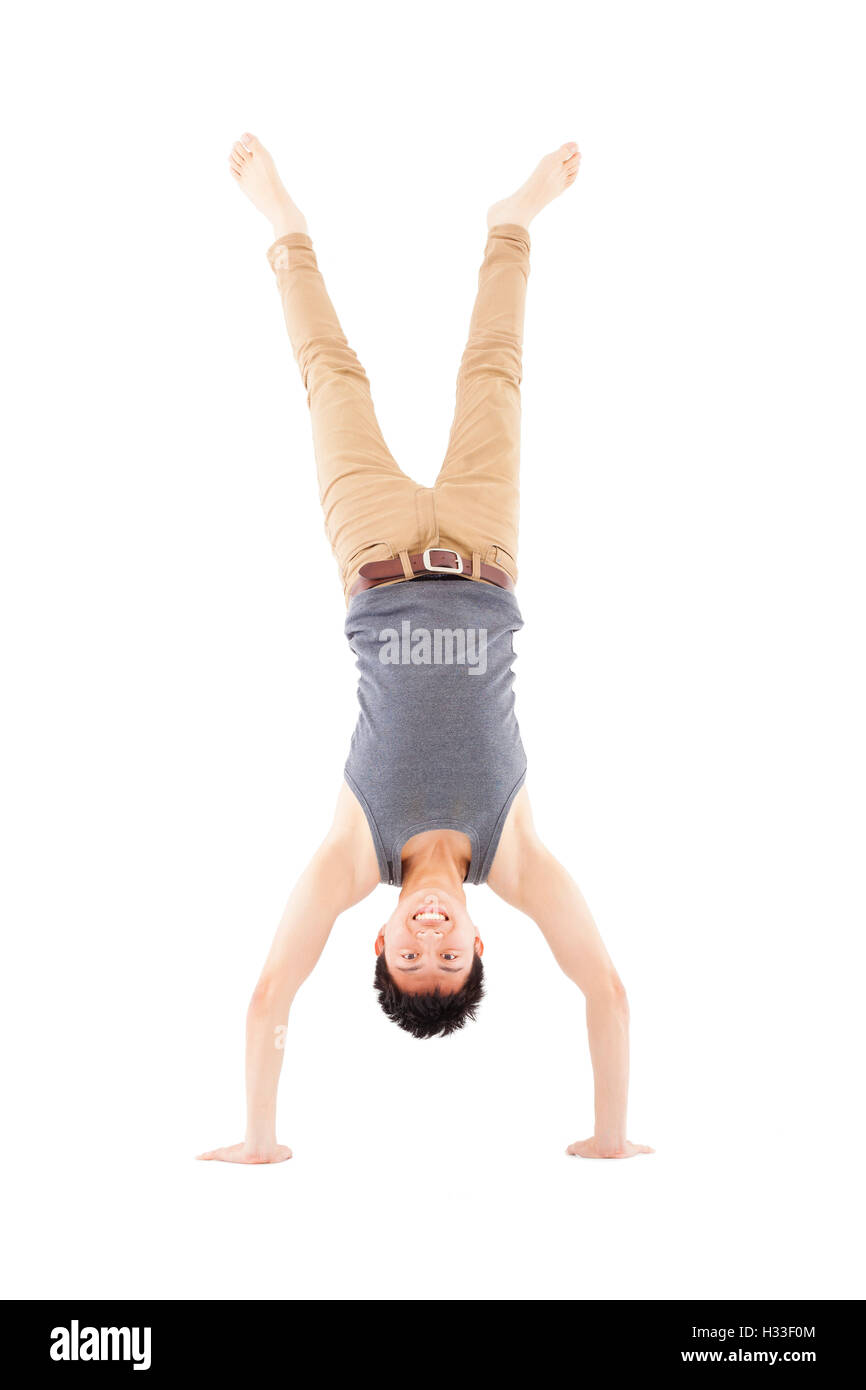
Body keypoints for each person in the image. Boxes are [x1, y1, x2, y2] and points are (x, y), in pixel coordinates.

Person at [197, 134, 653, 1164]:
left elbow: (273, 992)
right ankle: (513, 219)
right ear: (478, 940)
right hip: (486, 546)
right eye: (451, 954)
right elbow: (607, 990)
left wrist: (258, 1140)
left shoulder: (350, 852)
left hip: (370, 548)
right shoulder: (516, 855)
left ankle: (285, 226)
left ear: (384, 938)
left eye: (412, 952)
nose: (432, 936)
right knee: (494, 371)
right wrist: (611, 1138)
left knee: (328, 377)